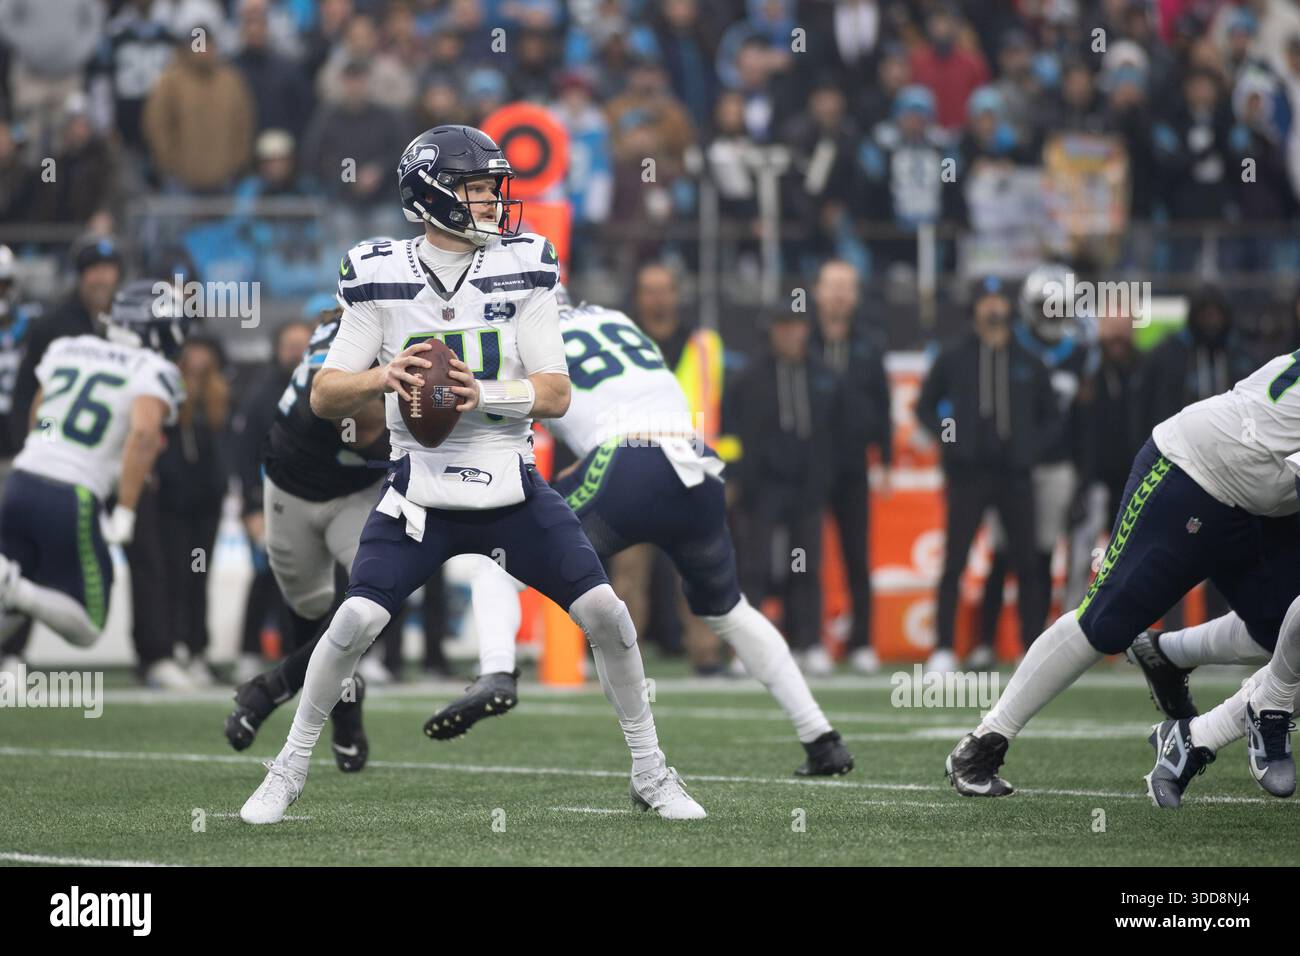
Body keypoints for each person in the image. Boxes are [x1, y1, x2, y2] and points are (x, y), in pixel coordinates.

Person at [239, 124, 705, 824]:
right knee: (353, 620)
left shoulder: (525, 264)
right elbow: (323, 393)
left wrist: (476, 395)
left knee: (606, 612)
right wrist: (380, 377)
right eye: (478, 189)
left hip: (511, 486)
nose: (492, 201)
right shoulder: (380, 272)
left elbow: (555, 392)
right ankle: (289, 767)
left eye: (493, 188)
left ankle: (651, 769)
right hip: (420, 491)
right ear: (433, 196)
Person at [427, 287, 853, 776]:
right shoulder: (614, 317)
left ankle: (497, 672)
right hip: (696, 465)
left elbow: (502, 411)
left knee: (497, 564)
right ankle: (822, 740)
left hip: (627, 463)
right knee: (729, 611)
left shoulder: (521, 337)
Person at [946, 348, 1300, 798]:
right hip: (1193, 470)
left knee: (1284, 629)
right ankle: (984, 741)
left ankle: (1168, 655)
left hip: (1262, 493)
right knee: (1107, 622)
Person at [224, 303, 394, 772]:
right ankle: (347, 703)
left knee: (375, 599)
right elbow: (359, 428)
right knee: (310, 610)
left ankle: (269, 689)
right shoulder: (345, 353)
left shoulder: (399, 329)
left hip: (357, 493)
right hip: (293, 486)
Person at [0, 280, 183, 651]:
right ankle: (9, 583)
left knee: (15, 605)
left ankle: (10, 583)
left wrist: (51, 449)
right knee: (89, 622)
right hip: (72, 496)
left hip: (20, 481)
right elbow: (145, 434)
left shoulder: (69, 348)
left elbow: (42, 413)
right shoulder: (153, 368)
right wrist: (126, 511)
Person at [916, 277, 1058, 674]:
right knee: (955, 559)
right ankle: (943, 646)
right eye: (986, 301)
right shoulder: (954, 356)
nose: (993, 308)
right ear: (974, 308)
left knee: (1026, 560)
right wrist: (952, 439)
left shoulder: (1027, 360)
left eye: (999, 301)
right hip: (968, 474)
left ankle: (1031, 647)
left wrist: (1030, 447)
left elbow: (1051, 417)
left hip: (1015, 473)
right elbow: (925, 407)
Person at [728, 308, 842, 674]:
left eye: (797, 327)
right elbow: (731, 432)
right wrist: (736, 477)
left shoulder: (823, 376)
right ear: (773, 331)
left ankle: (808, 641)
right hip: (763, 488)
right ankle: (749, 649)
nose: (792, 335)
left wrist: (824, 476)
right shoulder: (748, 378)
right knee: (754, 566)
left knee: (805, 564)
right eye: (784, 327)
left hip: (807, 488)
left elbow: (837, 432)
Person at [807, 259, 891, 674]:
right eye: (832, 285)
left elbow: (884, 406)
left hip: (854, 465)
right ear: (818, 291)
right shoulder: (804, 342)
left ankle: (861, 643)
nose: (839, 294)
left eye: (847, 286)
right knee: (805, 555)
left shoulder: (869, 345)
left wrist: (887, 460)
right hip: (810, 465)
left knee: (858, 556)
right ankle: (811, 641)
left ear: (856, 295)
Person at [155, 336, 230, 685]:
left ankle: (197, 648)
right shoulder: (168, 391)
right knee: (174, 574)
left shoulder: (221, 395)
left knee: (199, 576)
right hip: (172, 504)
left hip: (207, 503)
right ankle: (172, 647)